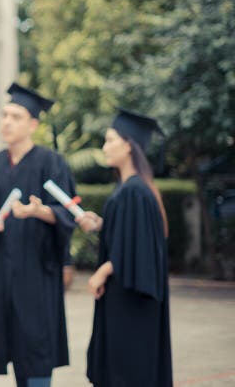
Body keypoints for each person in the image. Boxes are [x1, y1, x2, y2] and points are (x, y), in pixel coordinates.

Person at [0, 83, 76, 387]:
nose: (6, 122)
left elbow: (69, 213)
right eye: (4, 115)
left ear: (33, 124)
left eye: (15, 116)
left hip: (38, 275)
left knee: (39, 349)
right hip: (3, 275)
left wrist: (40, 212)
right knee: (13, 347)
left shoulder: (52, 163)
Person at [84, 109, 172, 386]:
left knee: (128, 370)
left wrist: (104, 270)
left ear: (129, 145)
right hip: (123, 297)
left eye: (110, 140)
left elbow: (141, 249)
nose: (105, 147)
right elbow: (129, 235)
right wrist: (102, 225)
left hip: (131, 302)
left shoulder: (134, 191)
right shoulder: (131, 188)